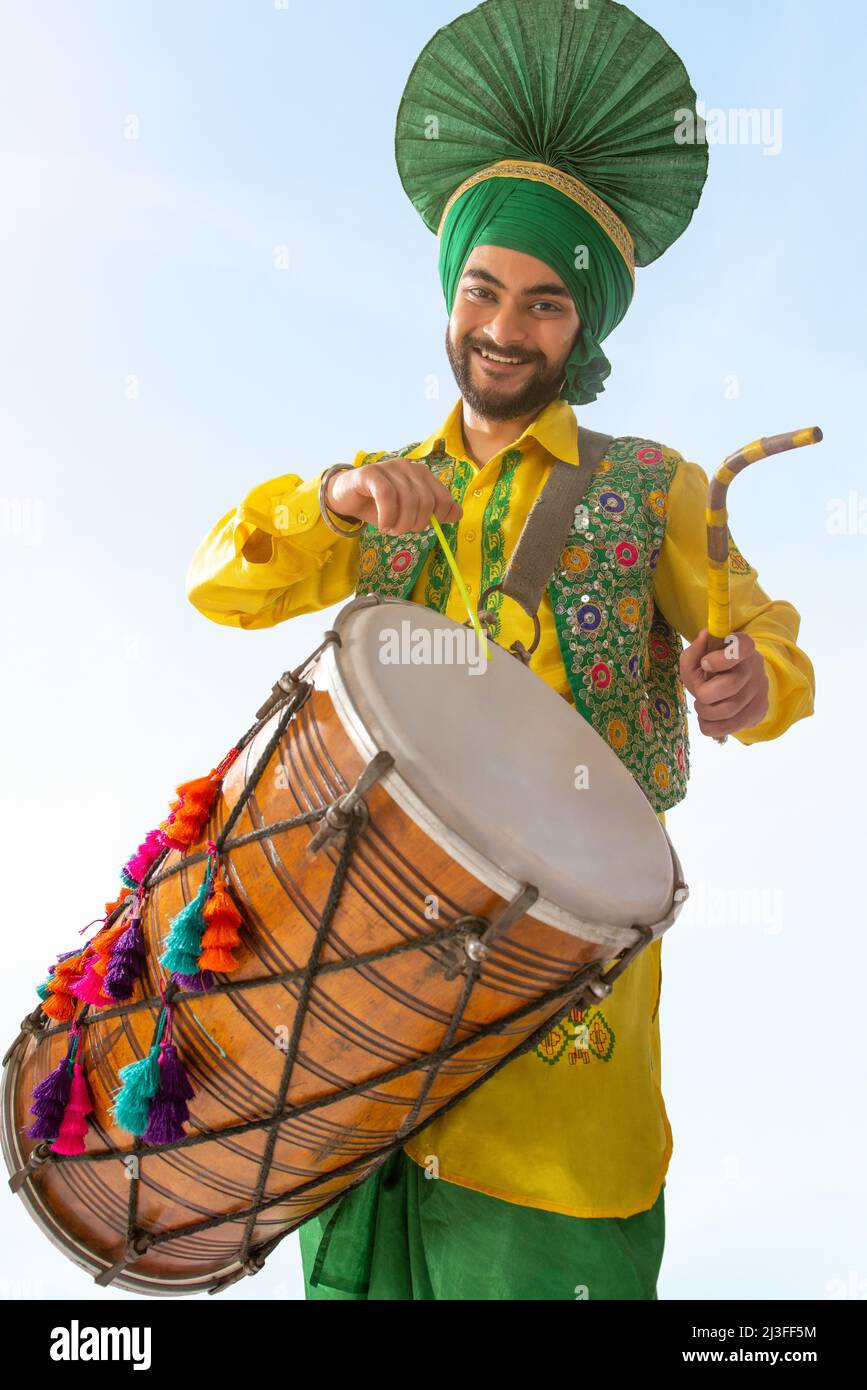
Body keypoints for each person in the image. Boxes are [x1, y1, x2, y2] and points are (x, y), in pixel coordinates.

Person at [185, 0, 815, 1299]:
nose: (505, 327)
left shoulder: (658, 489)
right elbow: (220, 586)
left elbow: (764, 646)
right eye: (484, 289)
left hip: (559, 1065)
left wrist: (748, 680)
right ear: (451, 293)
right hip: (362, 1042)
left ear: (581, 330)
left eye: (543, 302)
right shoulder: (380, 485)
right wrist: (331, 500)